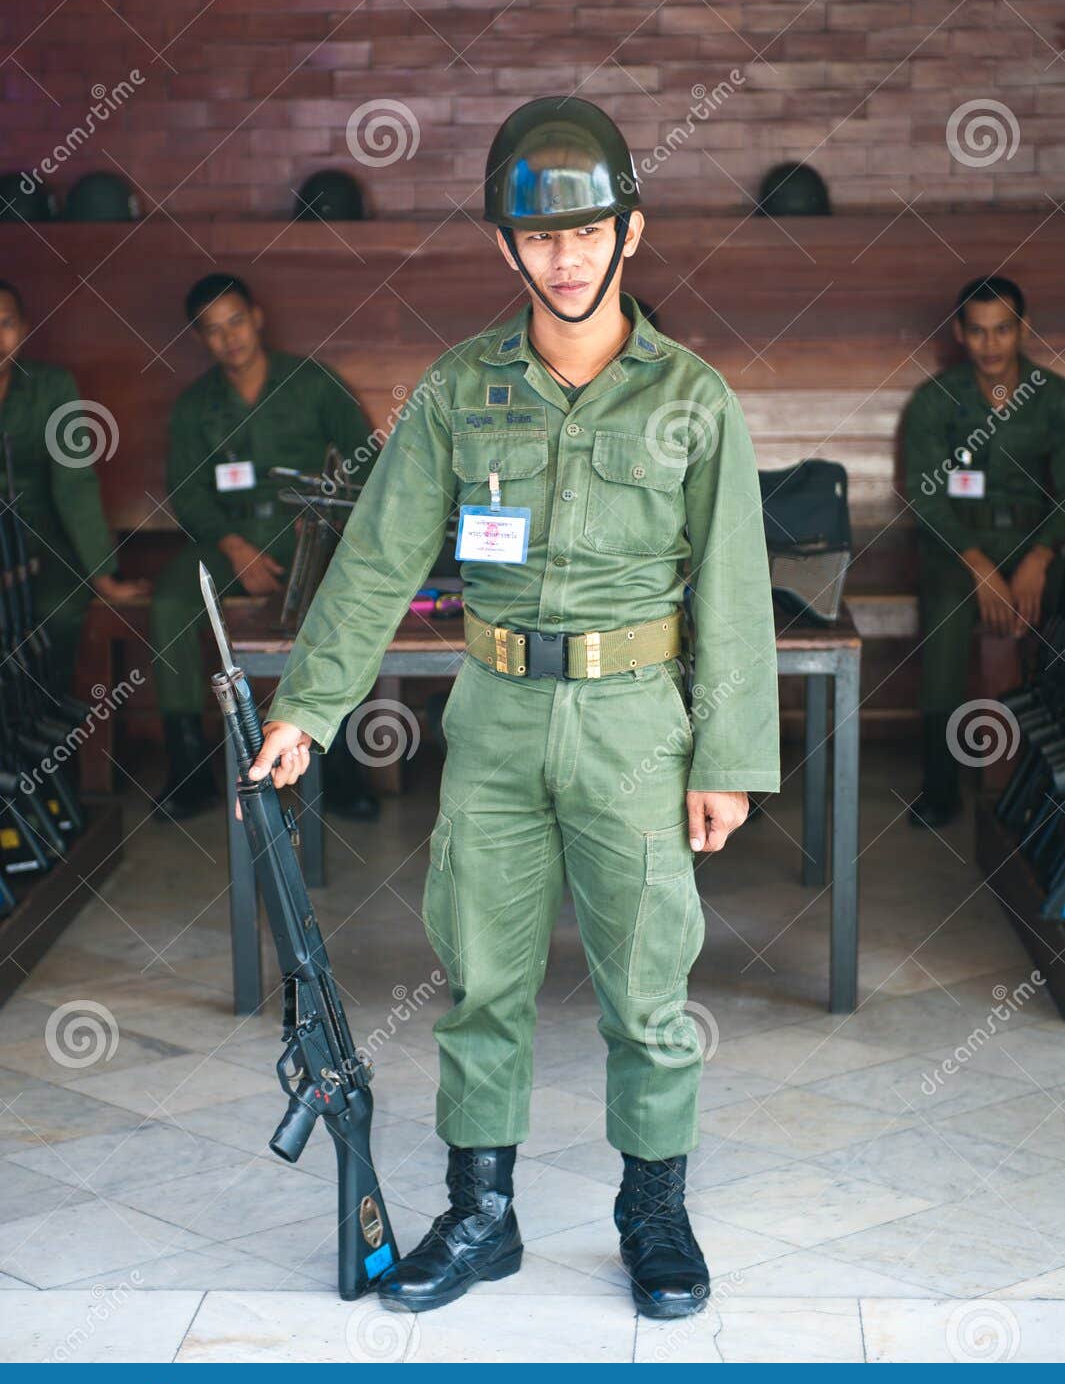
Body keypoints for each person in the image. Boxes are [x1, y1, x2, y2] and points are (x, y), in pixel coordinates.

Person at [247, 98, 781, 1321]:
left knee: (647, 986)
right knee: (480, 975)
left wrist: (730, 758)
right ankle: (482, 1212)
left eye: (589, 231)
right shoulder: (460, 390)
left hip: (635, 719)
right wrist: (308, 708)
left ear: (631, 231)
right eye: (541, 237)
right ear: (506, 247)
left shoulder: (693, 398)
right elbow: (377, 558)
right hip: (493, 713)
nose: (568, 257)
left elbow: (734, 588)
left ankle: (654, 1212)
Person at [150, 272, 377, 823]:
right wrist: (232, 546)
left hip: (309, 533)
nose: (229, 337)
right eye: (213, 329)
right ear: (200, 338)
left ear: (256, 318)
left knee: (343, 606)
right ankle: (187, 769)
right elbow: (186, 490)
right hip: (226, 538)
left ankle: (345, 768)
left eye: (236, 321)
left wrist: (329, 518)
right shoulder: (195, 404)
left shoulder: (311, 382)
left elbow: (368, 462)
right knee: (171, 603)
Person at [903, 275, 1065, 828]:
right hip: (956, 548)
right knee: (945, 618)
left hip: (1037, 541)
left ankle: (1052, 773)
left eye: (1002, 330)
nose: (991, 344)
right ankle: (940, 788)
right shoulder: (935, 401)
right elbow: (925, 495)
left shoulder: (1054, 397)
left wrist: (1040, 557)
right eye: (977, 331)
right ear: (959, 333)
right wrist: (979, 566)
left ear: (1022, 329)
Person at [0, 280, 146, 698]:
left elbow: (74, 484)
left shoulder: (51, 386)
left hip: (41, 540)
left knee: (60, 611)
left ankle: (47, 719)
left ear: (24, 328)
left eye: (5, 324)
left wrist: (104, 575)